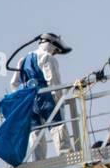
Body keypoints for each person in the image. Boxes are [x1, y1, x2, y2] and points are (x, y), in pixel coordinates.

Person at [10, 32, 74, 161]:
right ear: (51, 46)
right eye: (56, 50)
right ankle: (66, 154)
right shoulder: (47, 57)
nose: (55, 53)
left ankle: (38, 159)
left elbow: (14, 84)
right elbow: (53, 81)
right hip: (46, 96)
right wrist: (59, 100)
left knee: (35, 131)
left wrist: (23, 98)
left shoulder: (23, 60)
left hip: (29, 99)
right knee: (57, 125)